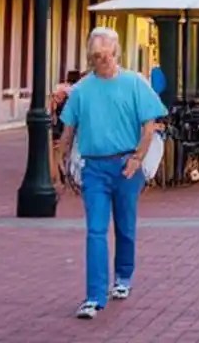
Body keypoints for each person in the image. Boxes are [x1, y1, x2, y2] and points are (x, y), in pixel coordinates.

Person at [57, 28, 167, 320]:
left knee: (125, 226)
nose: (102, 60)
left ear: (116, 53)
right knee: (96, 229)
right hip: (94, 168)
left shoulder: (135, 83)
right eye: (96, 56)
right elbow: (68, 130)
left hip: (126, 165)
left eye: (106, 55)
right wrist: (59, 163)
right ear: (89, 57)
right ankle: (94, 297)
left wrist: (138, 158)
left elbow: (149, 126)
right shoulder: (81, 90)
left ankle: (123, 276)